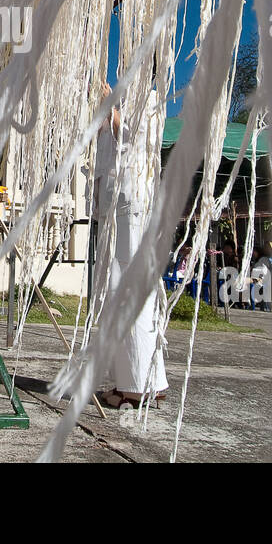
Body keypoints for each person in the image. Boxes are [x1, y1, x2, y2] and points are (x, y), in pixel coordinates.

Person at [93, 82, 169, 408]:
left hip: (129, 204)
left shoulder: (149, 98)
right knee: (119, 288)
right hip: (118, 205)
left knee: (128, 288)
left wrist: (108, 107)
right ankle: (141, 381)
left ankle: (137, 385)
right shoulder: (130, 97)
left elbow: (135, 134)